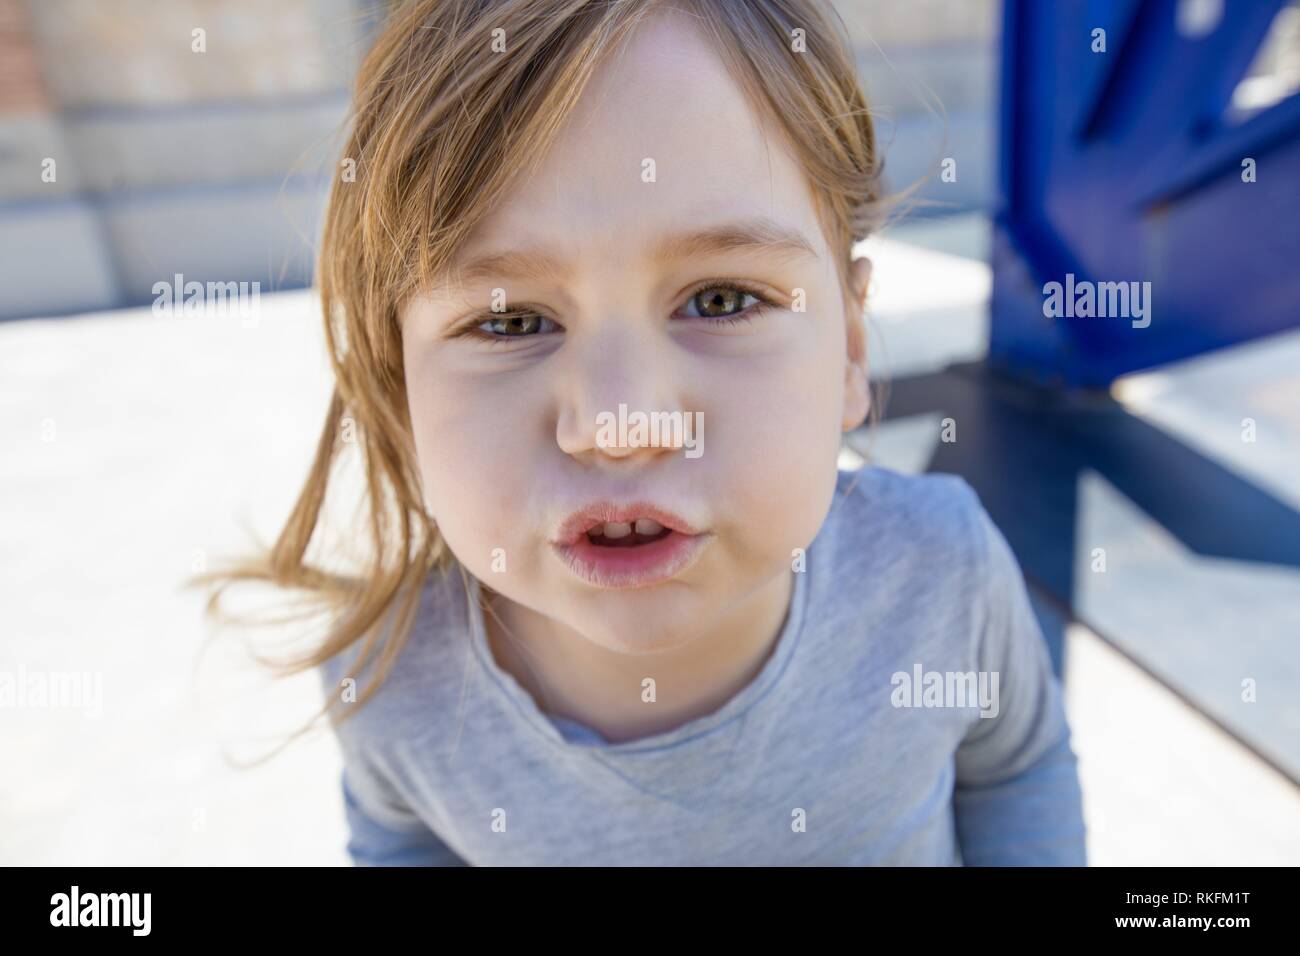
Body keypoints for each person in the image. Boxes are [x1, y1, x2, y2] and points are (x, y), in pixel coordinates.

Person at [211, 0, 1087, 865]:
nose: (619, 426)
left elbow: (1017, 770)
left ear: (849, 349)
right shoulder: (392, 682)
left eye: (720, 299)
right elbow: (401, 842)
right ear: (401, 387)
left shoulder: (942, 575)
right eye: (512, 321)